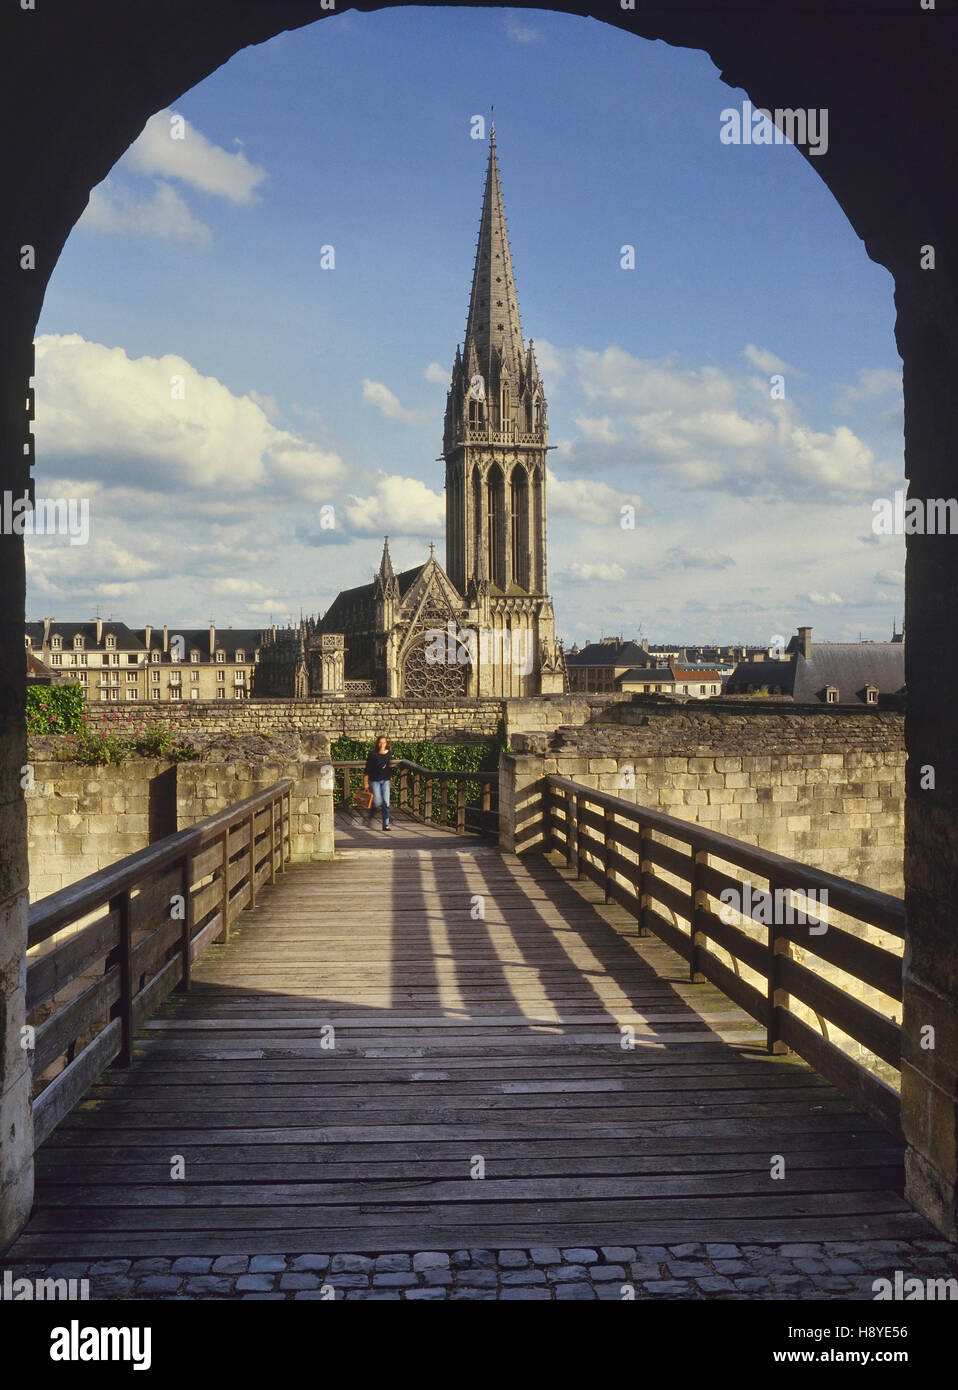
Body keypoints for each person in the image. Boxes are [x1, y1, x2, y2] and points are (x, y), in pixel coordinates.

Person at [363, 735, 391, 831]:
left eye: (384, 742)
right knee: (378, 802)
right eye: (380, 742)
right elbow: (367, 770)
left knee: (386, 802)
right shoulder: (373, 755)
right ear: (377, 744)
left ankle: (386, 824)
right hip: (374, 780)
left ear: (386, 744)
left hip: (385, 780)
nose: (382, 745)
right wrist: (365, 782)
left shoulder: (388, 754)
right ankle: (370, 816)